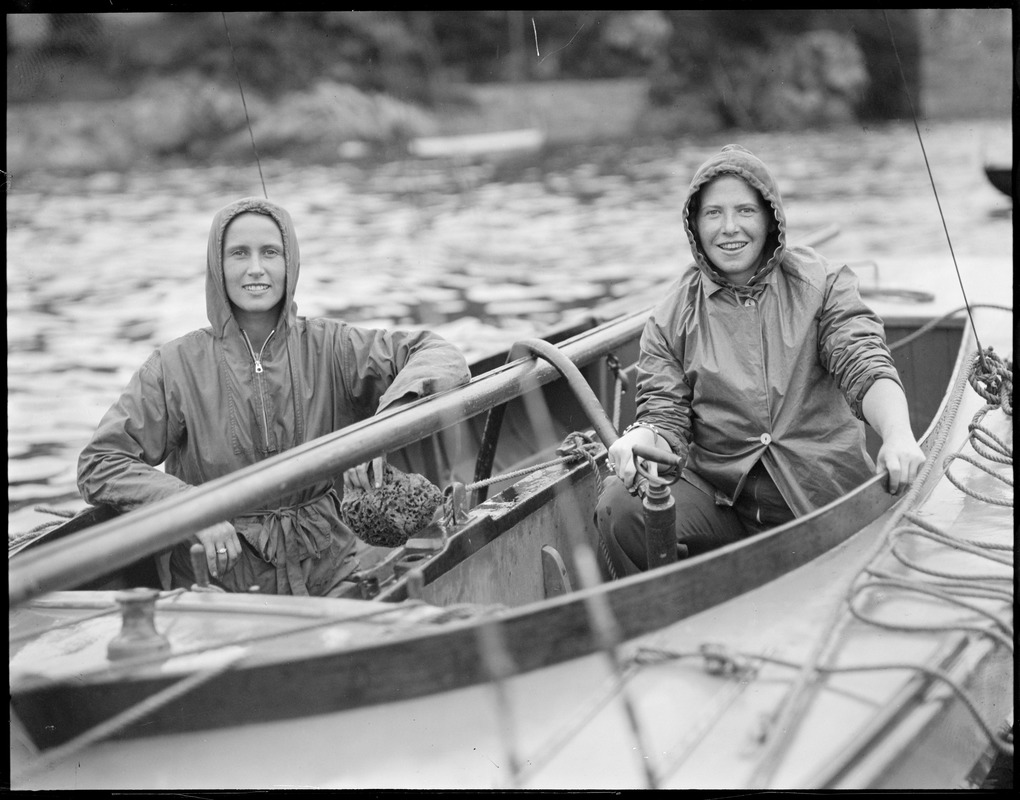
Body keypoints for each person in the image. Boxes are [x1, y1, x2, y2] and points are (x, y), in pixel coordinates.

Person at [78, 196, 471, 596]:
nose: (255, 268)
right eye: (238, 254)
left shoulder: (333, 346)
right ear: (218, 266)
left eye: (270, 252)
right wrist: (191, 509)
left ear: (290, 263)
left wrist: (385, 428)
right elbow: (101, 463)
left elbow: (440, 356)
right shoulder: (174, 365)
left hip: (329, 572)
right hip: (217, 587)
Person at [596, 144, 925, 576]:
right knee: (619, 505)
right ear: (694, 225)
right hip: (722, 503)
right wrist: (642, 440)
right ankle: (689, 608)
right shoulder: (670, 317)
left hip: (818, 496)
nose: (729, 228)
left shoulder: (823, 283)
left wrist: (899, 436)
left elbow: (863, 362)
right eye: (713, 213)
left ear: (770, 217)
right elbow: (664, 417)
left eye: (745, 211)